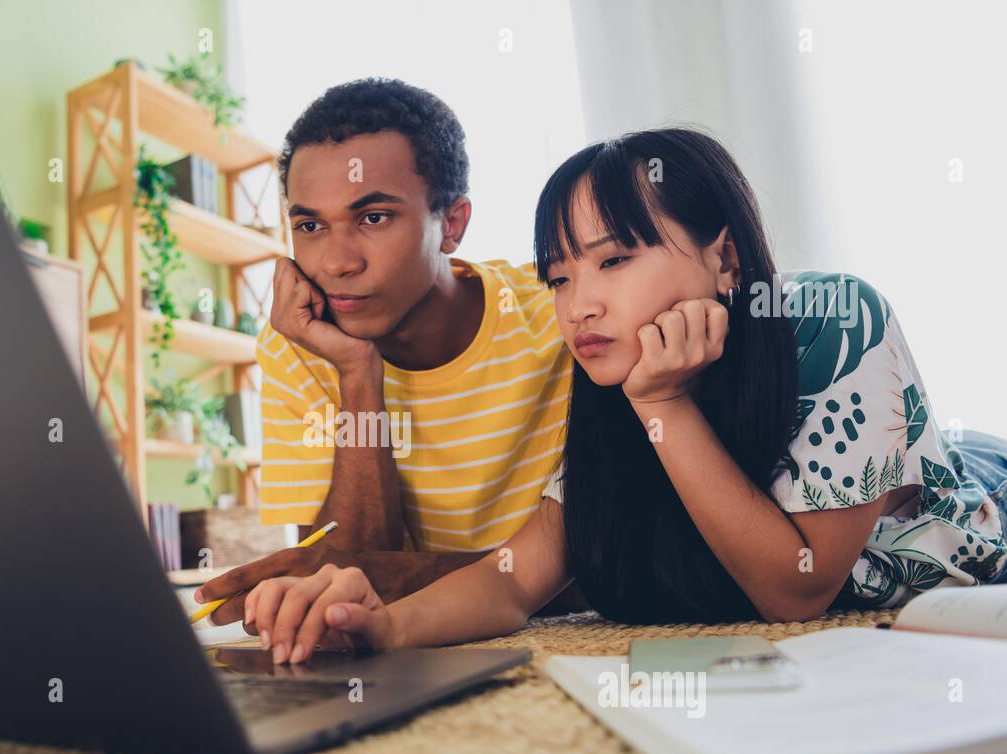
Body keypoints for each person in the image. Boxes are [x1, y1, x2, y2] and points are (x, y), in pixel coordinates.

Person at [229, 127, 1007, 664]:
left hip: (980, 491)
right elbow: (518, 579)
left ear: (725, 256)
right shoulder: (616, 379)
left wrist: (664, 407)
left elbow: (795, 589)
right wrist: (384, 627)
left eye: (615, 260)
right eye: (561, 277)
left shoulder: (833, 321)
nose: (580, 305)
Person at [194, 78, 582, 626]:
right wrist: (357, 373)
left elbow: (613, 563)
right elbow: (345, 580)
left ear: (451, 224)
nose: (336, 263)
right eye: (310, 225)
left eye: (373, 217)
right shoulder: (300, 347)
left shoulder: (560, 314)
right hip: (404, 643)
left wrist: (415, 576)